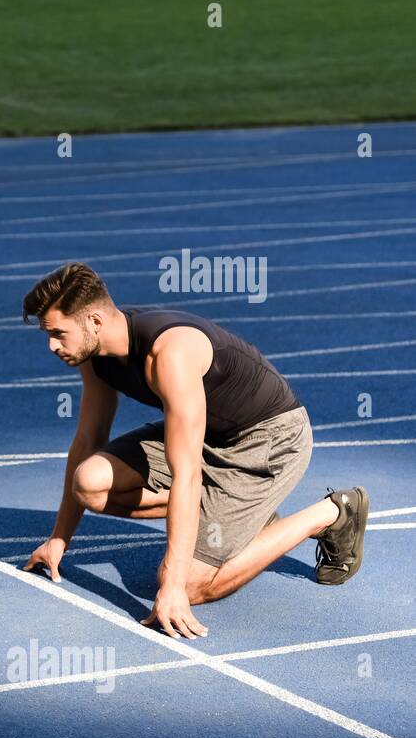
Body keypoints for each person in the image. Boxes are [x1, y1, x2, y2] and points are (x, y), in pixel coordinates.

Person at [20, 262, 367, 639]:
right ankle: (241, 512)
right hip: (208, 436)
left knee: (188, 585)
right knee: (88, 482)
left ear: (95, 322)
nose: (52, 345)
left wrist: (171, 584)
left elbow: (186, 473)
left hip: (270, 441)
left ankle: (332, 513)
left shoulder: (169, 353)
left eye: (57, 333)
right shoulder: (94, 355)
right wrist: (59, 538)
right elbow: (89, 439)